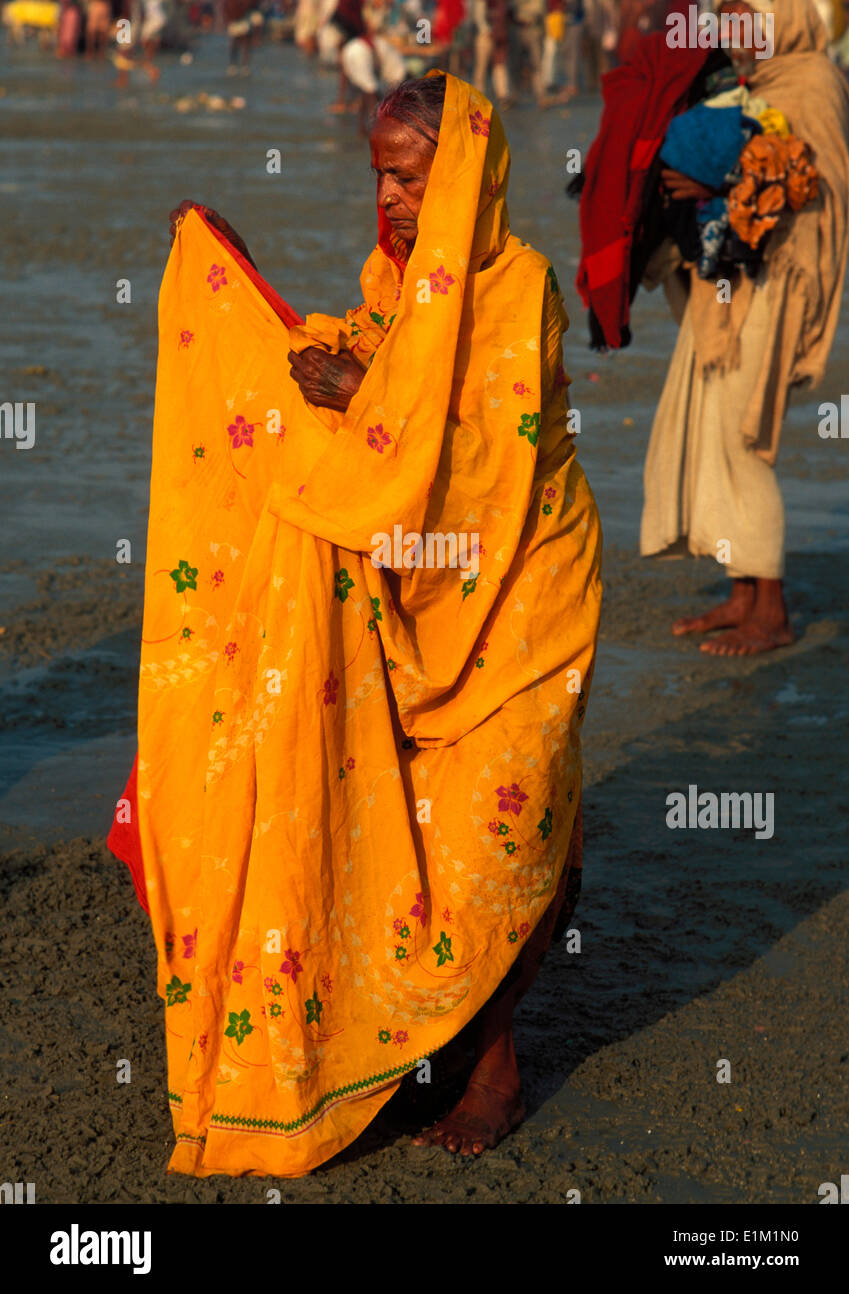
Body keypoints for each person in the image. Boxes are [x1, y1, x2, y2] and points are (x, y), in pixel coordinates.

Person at [108, 71, 601, 1176]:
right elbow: (357, 367)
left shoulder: (517, 291)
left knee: (496, 826)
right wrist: (241, 293)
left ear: (464, 172)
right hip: (420, 597)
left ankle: (496, 1066)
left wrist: (360, 401)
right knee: (413, 822)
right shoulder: (395, 280)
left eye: (408, 174)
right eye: (377, 173)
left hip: (519, 589)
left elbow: (481, 462)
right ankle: (417, 1033)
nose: (387, 197)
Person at [640, 0, 849, 653]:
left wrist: (713, 188)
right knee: (714, 426)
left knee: (744, 438)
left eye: (744, 20)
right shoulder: (748, 89)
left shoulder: (812, 83)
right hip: (734, 282)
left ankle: (773, 612)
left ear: (779, 20)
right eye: (724, 20)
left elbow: (814, 199)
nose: (733, 34)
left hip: (779, 285)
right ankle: (740, 593)